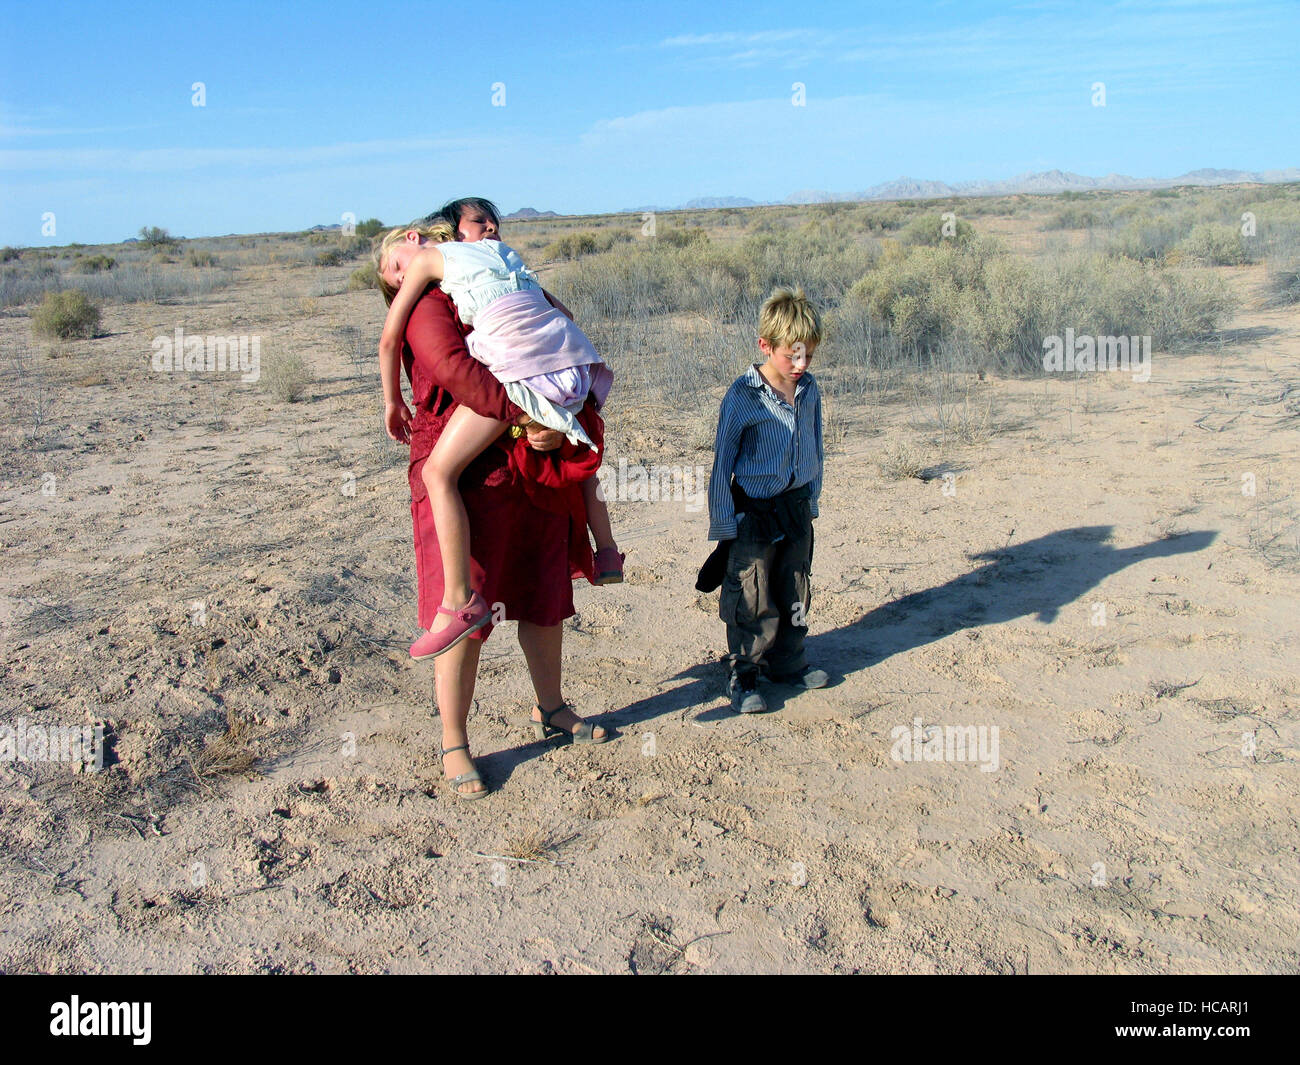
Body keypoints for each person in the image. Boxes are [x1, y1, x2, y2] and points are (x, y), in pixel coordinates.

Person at [392, 223, 610, 798]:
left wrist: (558, 416)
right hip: (470, 484)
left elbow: (566, 338)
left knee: (542, 597)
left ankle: (552, 708)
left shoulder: (507, 291)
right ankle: (454, 741)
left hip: (525, 472)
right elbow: (458, 374)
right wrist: (530, 416)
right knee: (464, 609)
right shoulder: (426, 308)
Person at [376, 201, 622, 662]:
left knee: (437, 474)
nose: (401, 279)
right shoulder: (509, 258)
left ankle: (457, 602)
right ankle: (606, 551)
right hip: (571, 361)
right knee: (583, 454)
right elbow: (562, 312)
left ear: (414, 238)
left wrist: (392, 402)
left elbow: (397, 343)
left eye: (396, 269)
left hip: (516, 374)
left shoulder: (432, 264)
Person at [706, 287, 829, 714]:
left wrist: (811, 499)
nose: (800, 365)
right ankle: (745, 673)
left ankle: (789, 662)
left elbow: (816, 444)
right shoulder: (743, 396)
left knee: (794, 585)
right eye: (791, 355)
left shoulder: (809, 389)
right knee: (751, 594)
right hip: (753, 513)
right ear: (765, 345)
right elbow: (722, 463)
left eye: (808, 356)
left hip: (795, 507)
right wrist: (724, 522)